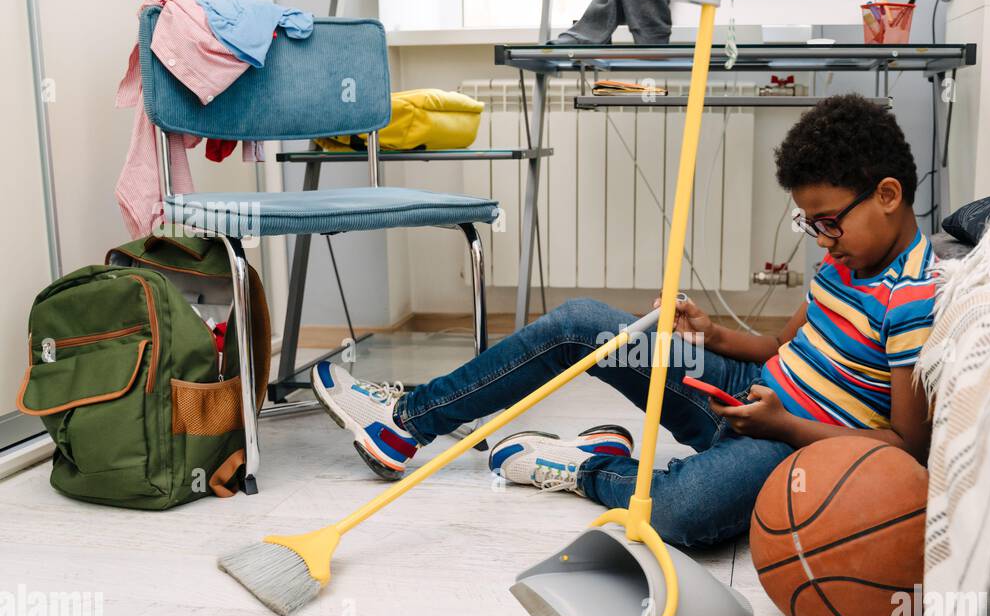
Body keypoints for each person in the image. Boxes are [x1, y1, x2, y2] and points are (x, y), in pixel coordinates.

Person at [311, 95, 937, 549]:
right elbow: (780, 345)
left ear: (886, 195)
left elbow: (909, 449)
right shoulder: (845, 262)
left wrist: (785, 425)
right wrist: (711, 335)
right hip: (738, 394)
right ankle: (406, 424)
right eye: (810, 225)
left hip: (789, 445)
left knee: (675, 511)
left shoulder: (913, 298)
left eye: (828, 221)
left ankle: (585, 468)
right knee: (583, 323)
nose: (822, 241)